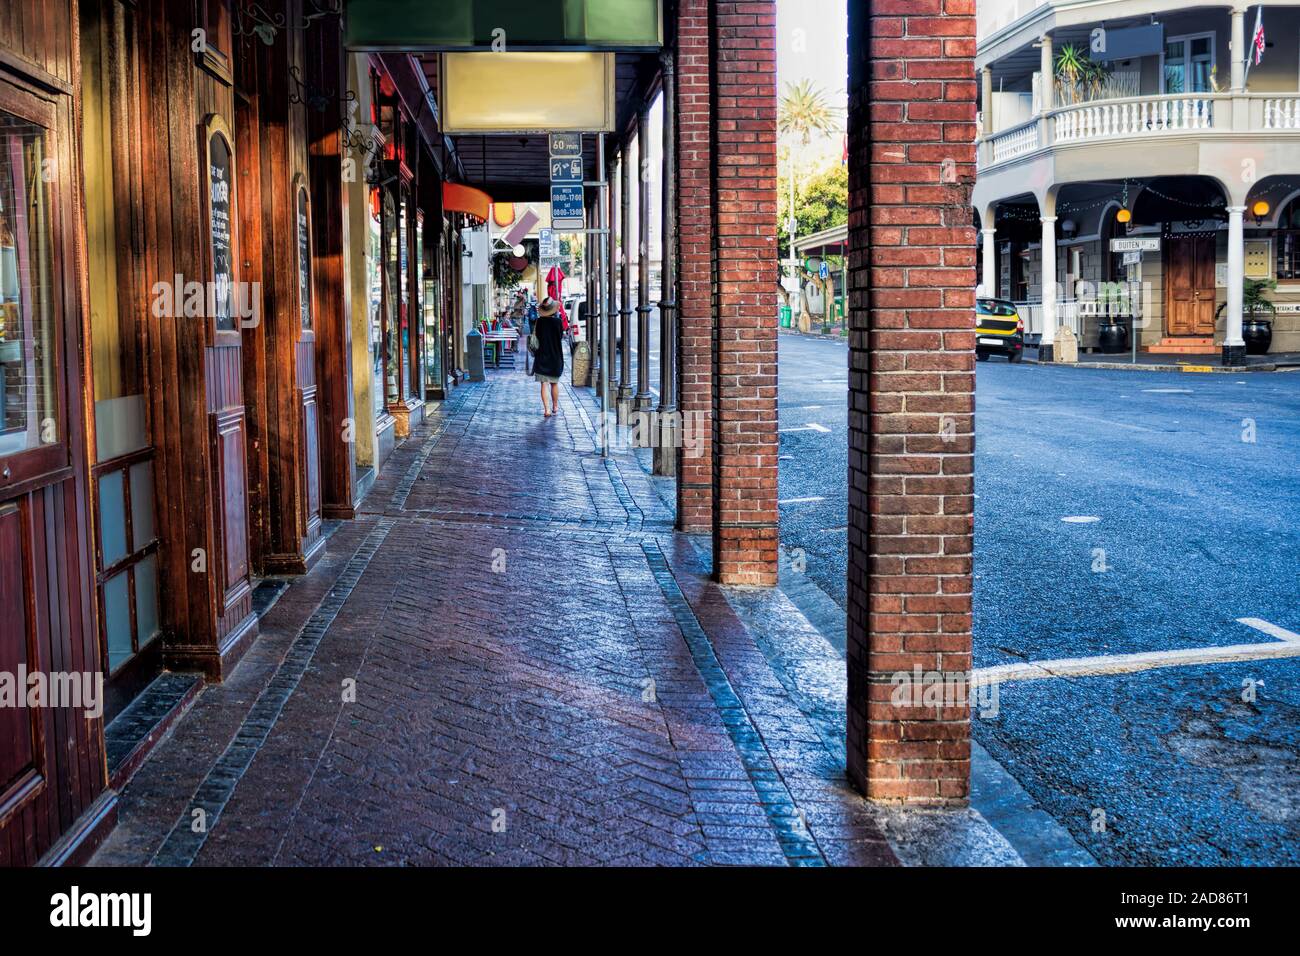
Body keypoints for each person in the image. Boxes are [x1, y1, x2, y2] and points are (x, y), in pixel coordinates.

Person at [531, 296, 565, 417]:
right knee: (554, 383)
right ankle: (555, 406)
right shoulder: (558, 322)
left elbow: (536, 338)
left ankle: (547, 410)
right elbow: (561, 336)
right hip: (556, 357)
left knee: (544, 383)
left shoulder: (539, 322)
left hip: (542, 357)